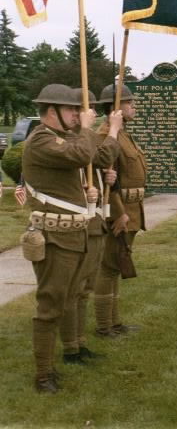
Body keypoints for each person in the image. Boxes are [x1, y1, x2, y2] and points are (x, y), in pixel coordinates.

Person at [22, 84, 99, 393]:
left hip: (71, 233)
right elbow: (81, 153)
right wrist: (88, 128)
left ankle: (65, 355)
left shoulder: (57, 139)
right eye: (71, 110)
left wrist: (85, 194)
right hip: (54, 237)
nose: (77, 115)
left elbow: (68, 171)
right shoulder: (40, 140)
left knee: (67, 300)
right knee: (50, 305)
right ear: (51, 112)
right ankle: (43, 375)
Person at [58, 89, 122, 364]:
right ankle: (71, 347)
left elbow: (100, 160)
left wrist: (103, 178)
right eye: (87, 108)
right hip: (75, 223)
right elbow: (96, 156)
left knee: (84, 288)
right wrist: (114, 131)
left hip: (94, 219)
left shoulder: (86, 138)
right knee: (72, 290)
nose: (92, 113)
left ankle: (79, 343)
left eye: (93, 108)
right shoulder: (68, 139)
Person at [94, 83, 147, 337]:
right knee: (108, 267)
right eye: (129, 102)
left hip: (132, 207)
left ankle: (115, 323)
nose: (133, 106)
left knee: (117, 265)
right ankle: (105, 325)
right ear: (115, 108)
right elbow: (107, 180)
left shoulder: (123, 133)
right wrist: (118, 213)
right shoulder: (107, 135)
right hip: (120, 209)